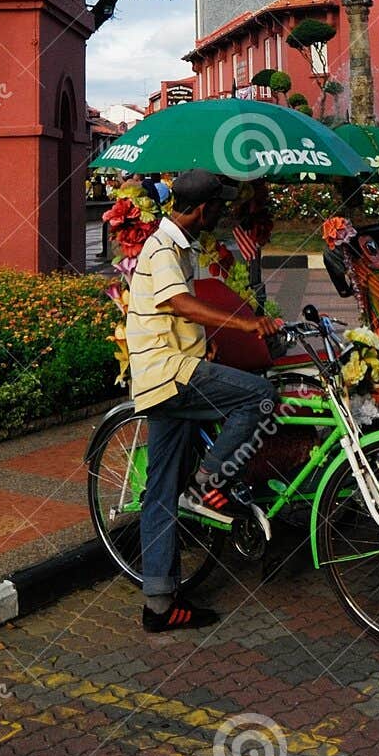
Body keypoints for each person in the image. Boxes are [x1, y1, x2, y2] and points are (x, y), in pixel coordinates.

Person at [125, 169, 276, 635]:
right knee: (262, 397)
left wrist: (203, 341)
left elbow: (175, 316)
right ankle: (210, 478)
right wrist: (246, 324)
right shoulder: (164, 248)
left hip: (163, 377)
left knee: (160, 493)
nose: (221, 214)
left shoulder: (176, 246)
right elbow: (178, 304)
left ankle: (159, 604)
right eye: (217, 207)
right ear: (202, 208)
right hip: (170, 375)